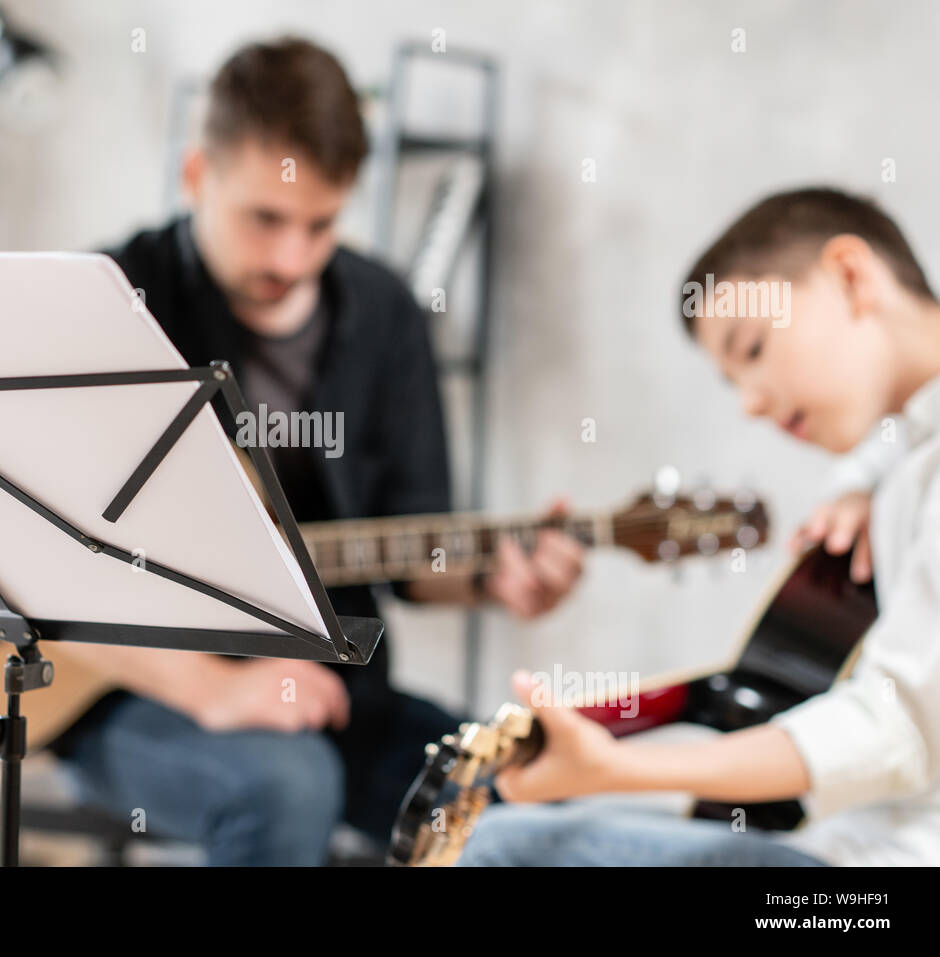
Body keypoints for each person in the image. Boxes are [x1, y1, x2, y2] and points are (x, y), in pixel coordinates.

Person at [44, 37, 585, 865]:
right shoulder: (105, 304)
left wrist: (494, 574)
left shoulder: (387, 314)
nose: (290, 259)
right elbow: (36, 561)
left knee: (526, 789)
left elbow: (413, 548)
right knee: (286, 785)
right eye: (265, 219)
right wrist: (214, 687)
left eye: (321, 224)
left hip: (332, 692)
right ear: (198, 177)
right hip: (120, 691)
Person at [459, 186, 940, 867]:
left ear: (852, 276)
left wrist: (620, 770)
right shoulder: (907, 446)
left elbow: (896, 728)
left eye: (753, 347)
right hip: (844, 843)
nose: (751, 403)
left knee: (497, 849)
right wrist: (860, 479)